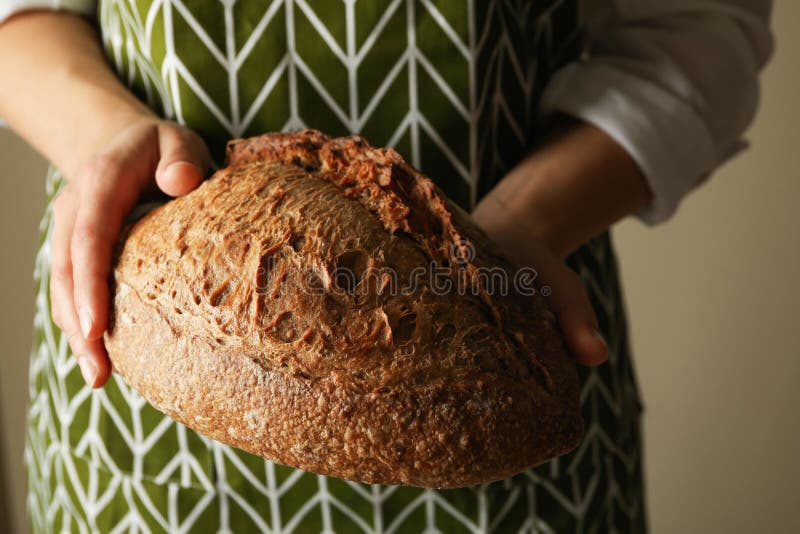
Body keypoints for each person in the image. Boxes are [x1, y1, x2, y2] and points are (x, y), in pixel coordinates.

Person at [0, 0, 773, 532]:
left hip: (503, 360)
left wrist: (511, 232)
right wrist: (103, 135)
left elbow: (698, 32)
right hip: (144, 382)